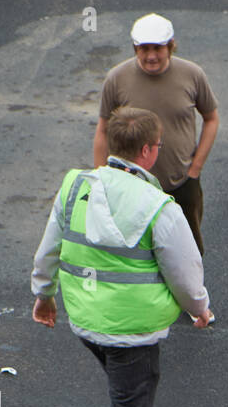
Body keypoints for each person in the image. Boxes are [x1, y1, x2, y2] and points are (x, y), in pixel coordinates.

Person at [32, 106, 213, 407]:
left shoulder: (75, 185)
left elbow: (49, 248)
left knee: (131, 394)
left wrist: (44, 295)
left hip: (85, 320)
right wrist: (199, 309)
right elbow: (186, 272)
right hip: (132, 330)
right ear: (149, 152)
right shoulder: (157, 206)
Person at [93, 14, 219, 255]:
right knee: (136, 254)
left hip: (181, 184)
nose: (151, 56)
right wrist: (101, 180)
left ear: (171, 45)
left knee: (187, 253)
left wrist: (195, 170)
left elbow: (211, 119)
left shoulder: (192, 74)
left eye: (158, 48)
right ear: (135, 48)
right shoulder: (116, 79)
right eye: (144, 49)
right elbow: (102, 130)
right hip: (130, 187)